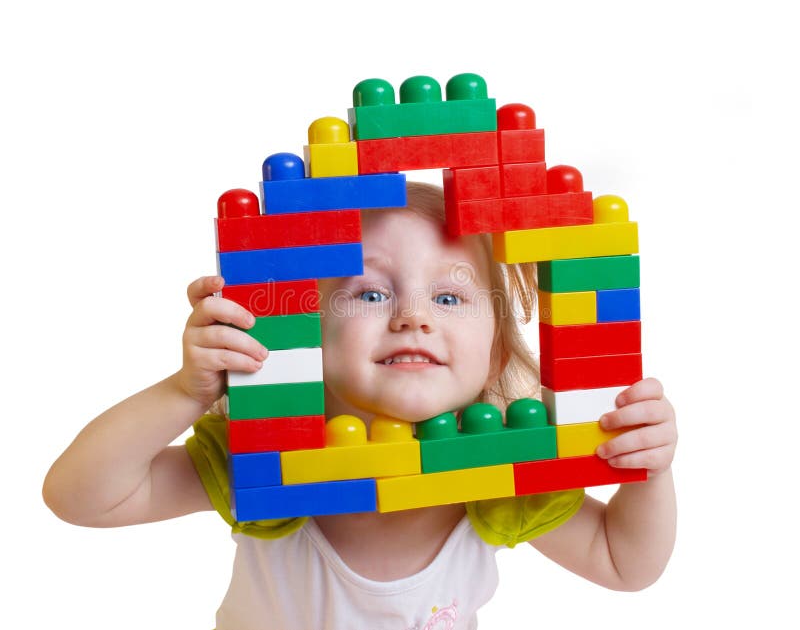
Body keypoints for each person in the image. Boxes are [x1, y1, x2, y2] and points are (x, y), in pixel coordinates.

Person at [43, 181, 677, 630]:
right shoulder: (265, 464)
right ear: (303, 338)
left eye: (450, 298)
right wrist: (186, 391)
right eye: (370, 294)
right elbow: (79, 497)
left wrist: (648, 469)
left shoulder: (501, 478)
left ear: (495, 355)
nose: (413, 317)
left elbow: (625, 563)